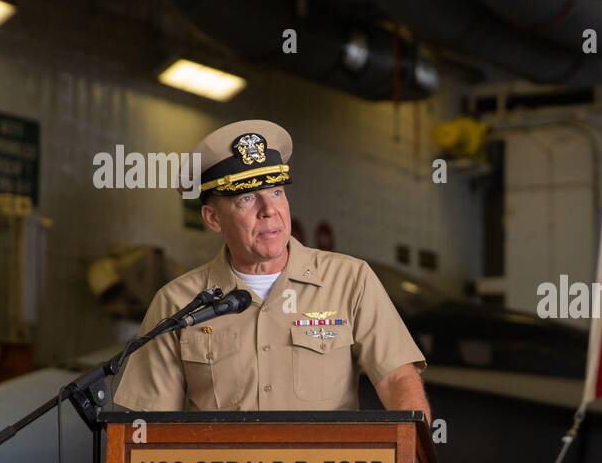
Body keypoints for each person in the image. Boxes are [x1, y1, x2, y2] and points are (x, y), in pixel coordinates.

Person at [113, 119, 430, 416]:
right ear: (212, 219)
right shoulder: (177, 303)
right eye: (247, 199)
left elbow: (397, 379)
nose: (270, 211)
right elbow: (149, 424)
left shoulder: (350, 280)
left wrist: (408, 459)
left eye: (277, 192)